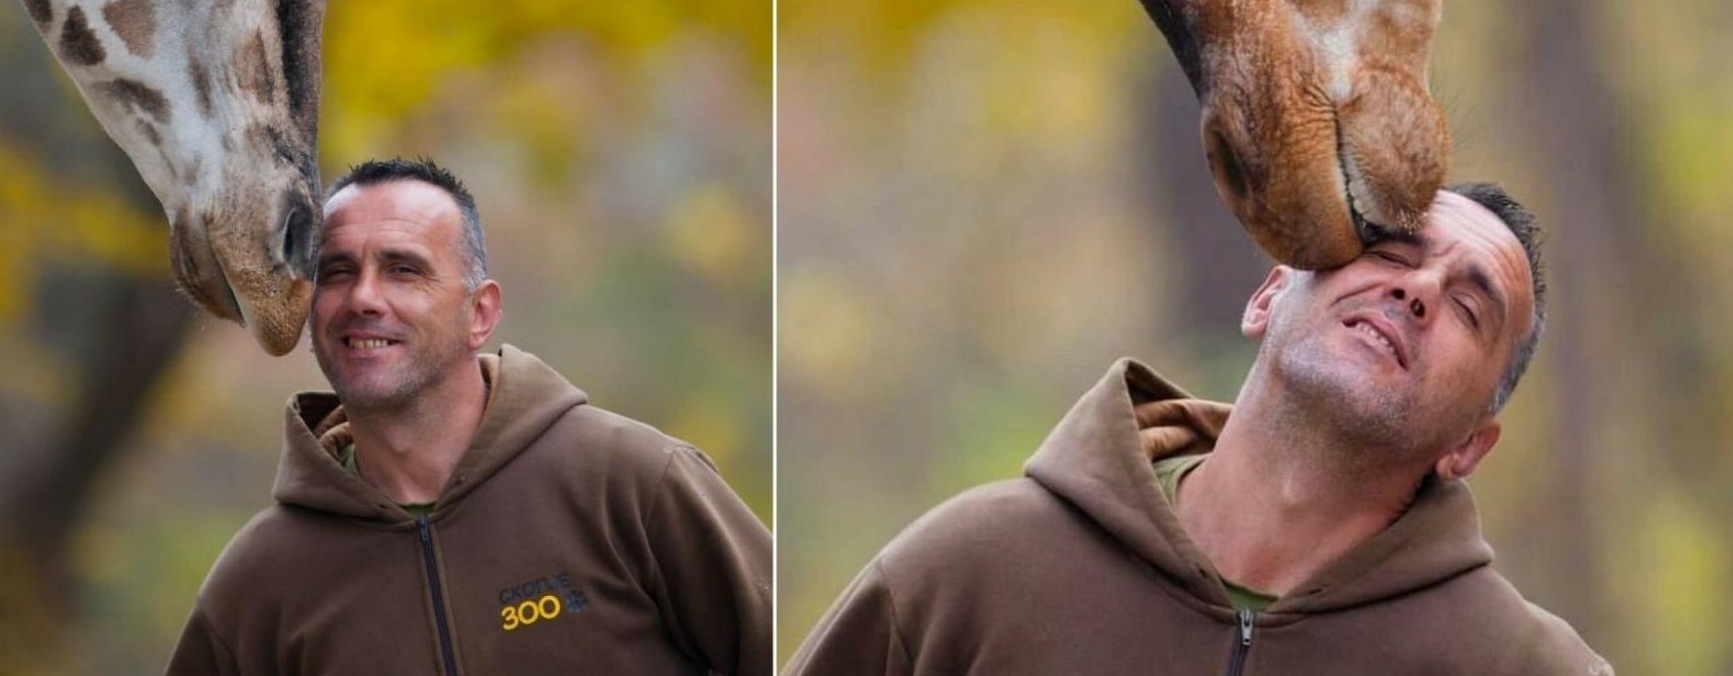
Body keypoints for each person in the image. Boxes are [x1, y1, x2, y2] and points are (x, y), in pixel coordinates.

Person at [786, 182, 1611, 674]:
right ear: (1266, 297)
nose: (1416, 290)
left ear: (1469, 445)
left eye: (1468, 307)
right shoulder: (975, 570)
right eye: (1389, 252)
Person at [167, 158, 771, 676]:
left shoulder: (632, 483)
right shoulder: (258, 583)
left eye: (404, 270)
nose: (364, 298)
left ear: (480, 313)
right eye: (338, 272)